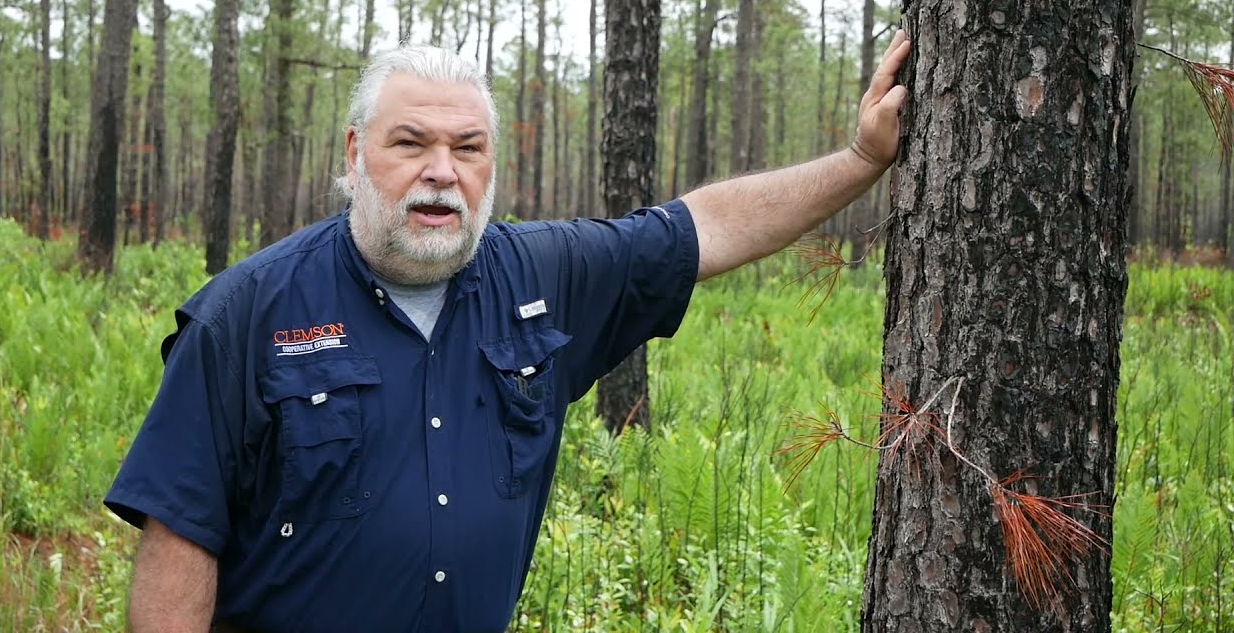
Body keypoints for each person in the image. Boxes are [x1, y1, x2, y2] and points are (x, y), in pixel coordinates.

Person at [105, 32, 912, 633]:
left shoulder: (542, 278)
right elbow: (181, 540)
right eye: (410, 142)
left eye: (468, 147)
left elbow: (706, 228)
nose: (441, 171)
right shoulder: (246, 314)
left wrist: (857, 159)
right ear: (355, 155)